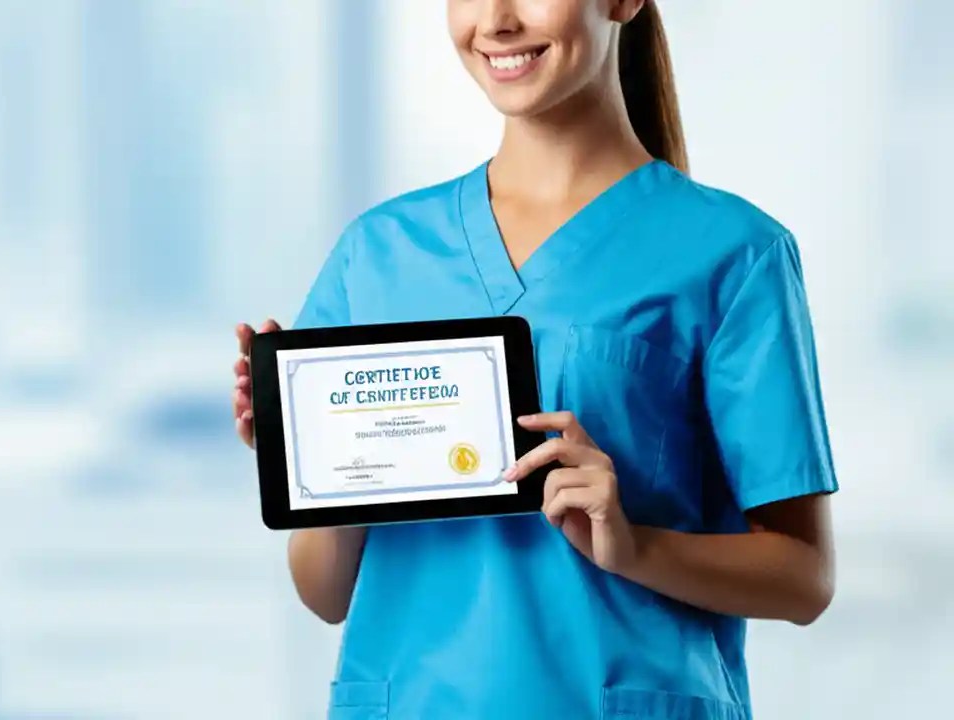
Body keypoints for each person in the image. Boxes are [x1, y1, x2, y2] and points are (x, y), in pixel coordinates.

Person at [231, 1, 837, 717]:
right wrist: (320, 456)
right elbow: (325, 595)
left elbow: (805, 577)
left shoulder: (733, 253)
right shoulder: (379, 252)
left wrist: (635, 547)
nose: (497, 20)